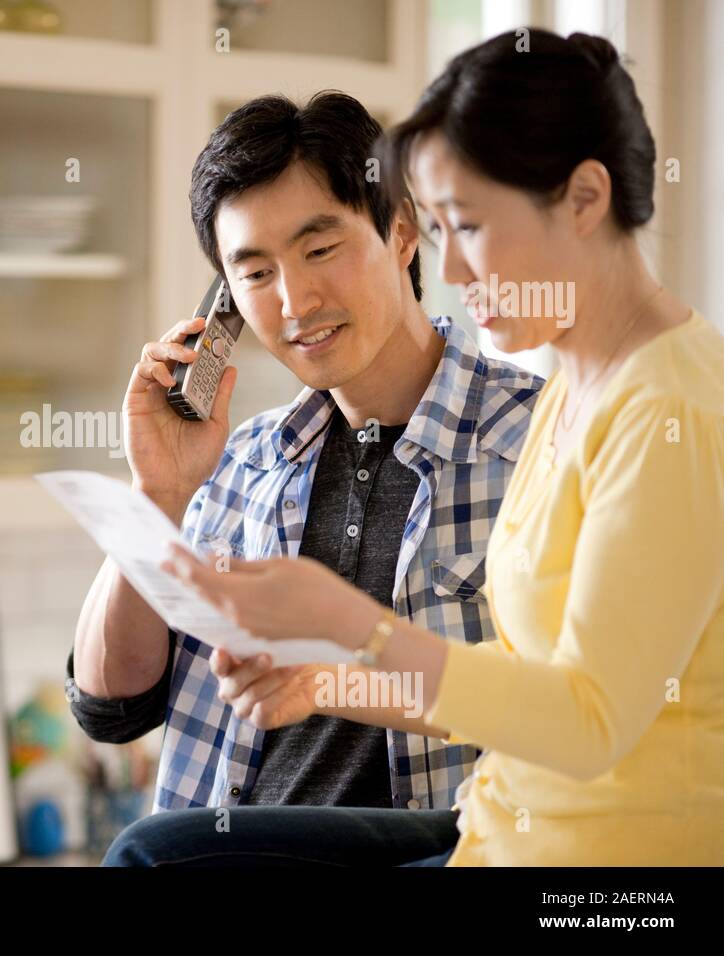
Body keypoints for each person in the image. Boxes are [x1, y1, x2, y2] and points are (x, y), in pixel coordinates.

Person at [147, 28, 724, 866]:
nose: (449, 263)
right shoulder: (583, 377)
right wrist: (328, 682)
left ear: (585, 199)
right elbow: (528, 673)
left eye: (471, 226)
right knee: (159, 851)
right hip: (498, 838)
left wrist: (348, 624)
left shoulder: (671, 409)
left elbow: (590, 722)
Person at [67, 89, 542, 864]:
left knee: (148, 854)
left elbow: (581, 704)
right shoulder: (241, 461)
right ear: (224, 301)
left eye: (320, 250)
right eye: (254, 273)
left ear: (400, 229)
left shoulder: (540, 440)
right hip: (241, 842)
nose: (295, 301)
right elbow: (110, 706)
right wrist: (159, 495)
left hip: (452, 844)